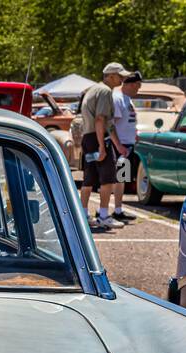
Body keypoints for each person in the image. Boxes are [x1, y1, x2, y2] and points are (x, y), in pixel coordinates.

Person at [77, 62, 131, 232]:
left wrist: (118, 146)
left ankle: (83, 215)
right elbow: (101, 119)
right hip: (98, 138)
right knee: (108, 179)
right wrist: (102, 146)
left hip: (88, 137)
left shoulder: (93, 89)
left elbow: (106, 123)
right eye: (119, 75)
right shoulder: (106, 91)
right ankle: (103, 216)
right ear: (110, 76)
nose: (122, 78)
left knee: (88, 178)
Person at [110, 70, 142, 221]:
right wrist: (118, 146)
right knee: (117, 179)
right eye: (137, 85)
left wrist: (134, 133)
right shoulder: (118, 99)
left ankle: (118, 209)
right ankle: (114, 210)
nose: (138, 88)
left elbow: (128, 121)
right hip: (120, 145)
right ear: (129, 84)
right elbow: (112, 125)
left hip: (127, 144)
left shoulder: (128, 100)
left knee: (121, 178)